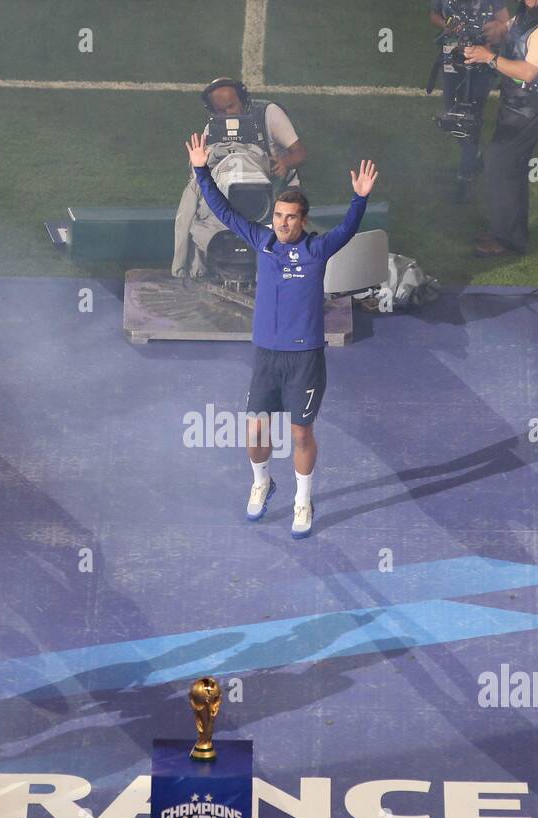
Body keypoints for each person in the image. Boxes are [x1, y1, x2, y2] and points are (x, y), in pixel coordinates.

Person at [185, 130, 376, 538]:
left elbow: (348, 227)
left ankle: (303, 501)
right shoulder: (263, 242)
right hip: (267, 357)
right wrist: (202, 170)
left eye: (290, 218)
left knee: (300, 432)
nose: (282, 223)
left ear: (303, 221)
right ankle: (262, 482)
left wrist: (359, 198)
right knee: (255, 429)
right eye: (278, 216)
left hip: (304, 358)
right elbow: (224, 212)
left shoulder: (317, 249)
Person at [464, 0, 538, 257]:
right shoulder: (529, 12)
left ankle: (510, 240)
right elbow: (508, 31)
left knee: (504, 164)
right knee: (501, 164)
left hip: (531, 107)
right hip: (515, 102)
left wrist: (488, 58)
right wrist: (486, 29)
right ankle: (502, 230)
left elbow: (528, 72)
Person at [172, 77, 307, 278]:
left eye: (231, 106)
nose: (228, 113)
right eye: (220, 110)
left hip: (278, 186)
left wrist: (285, 163)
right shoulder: (213, 128)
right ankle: (214, 260)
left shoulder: (269, 114)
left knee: (286, 228)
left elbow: (300, 153)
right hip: (232, 187)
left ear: (243, 99)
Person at [429, 0, 510, 202]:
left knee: (471, 117)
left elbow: (505, 21)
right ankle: (474, 155)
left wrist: (490, 39)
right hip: (451, 55)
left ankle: (465, 174)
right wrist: (448, 24)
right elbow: (434, 14)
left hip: (481, 58)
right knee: (451, 113)